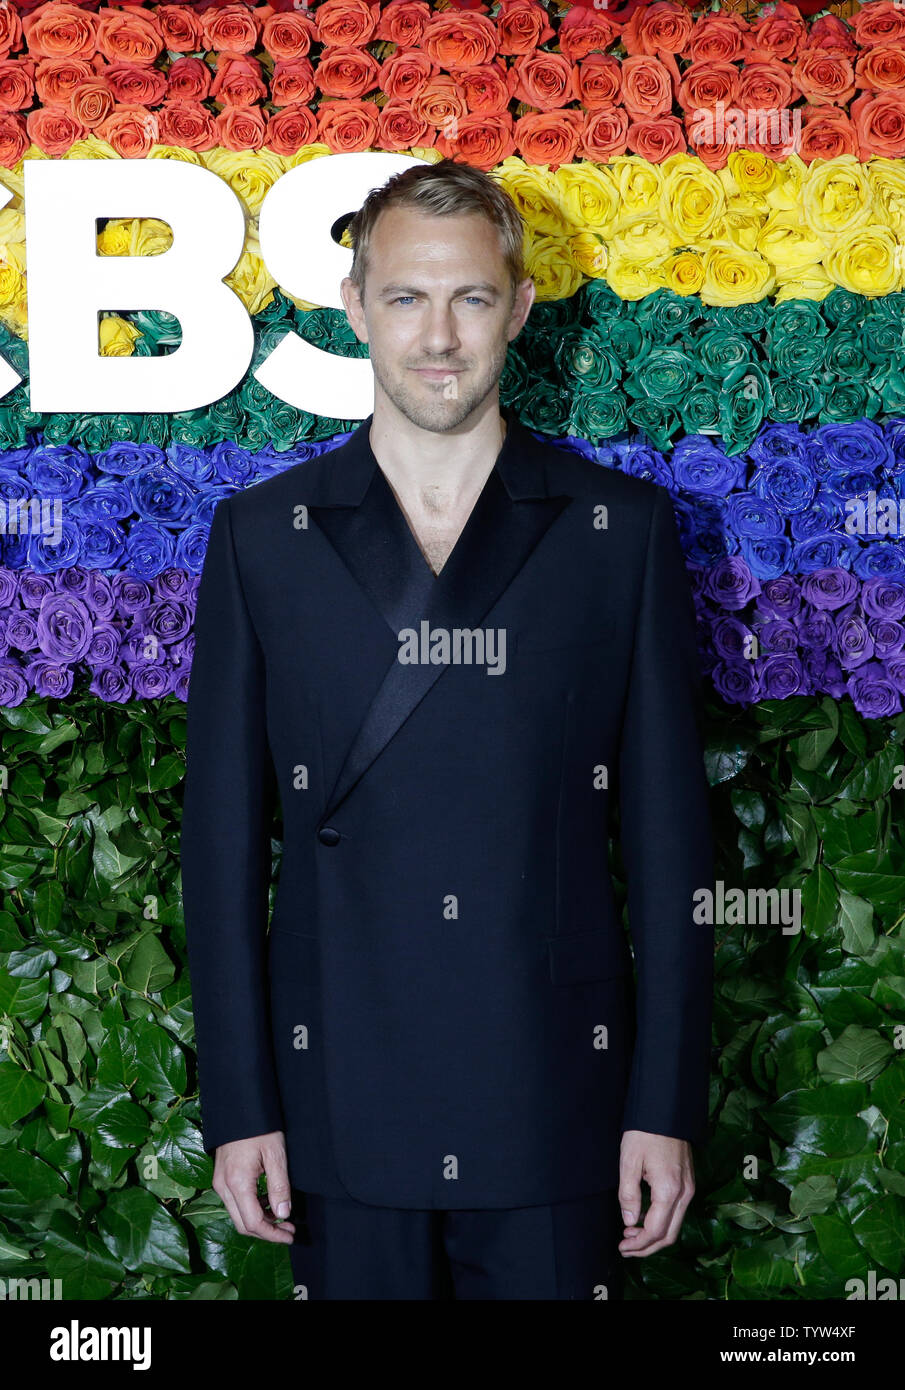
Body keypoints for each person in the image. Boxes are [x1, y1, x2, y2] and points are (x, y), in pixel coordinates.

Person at [180, 157, 715, 1300]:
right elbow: (220, 852)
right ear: (354, 309)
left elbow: (672, 850)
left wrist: (661, 1103)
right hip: (336, 1103)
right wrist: (240, 1105)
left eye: (471, 297)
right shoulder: (260, 537)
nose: (438, 336)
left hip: (555, 1100)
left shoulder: (617, 534)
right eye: (407, 297)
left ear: (519, 310)